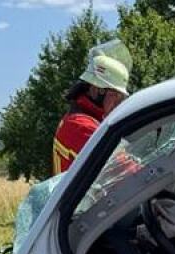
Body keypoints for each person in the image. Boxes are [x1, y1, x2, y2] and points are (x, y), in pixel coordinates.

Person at [52, 40, 132, 176]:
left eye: (121, 97)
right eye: (115, 95)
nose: (118, 103)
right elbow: (122, 168)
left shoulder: (81, 117)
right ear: (96, 90)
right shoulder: (83, 126)